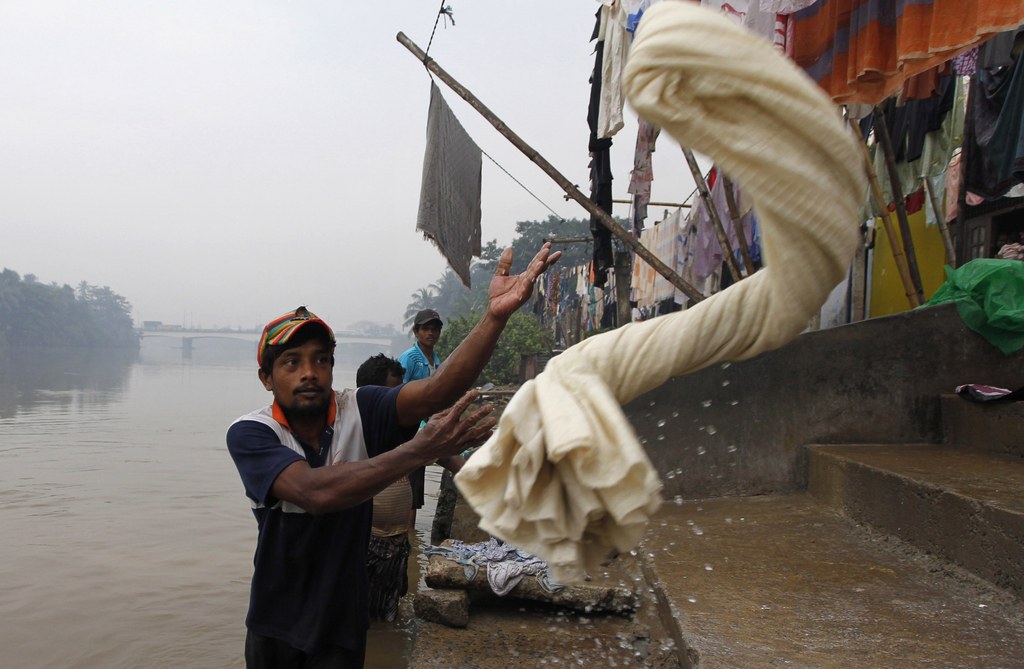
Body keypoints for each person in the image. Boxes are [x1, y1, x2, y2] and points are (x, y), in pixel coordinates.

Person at [225, 244, 560, 669]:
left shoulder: (359, 408)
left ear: (332, 367)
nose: (308, 372)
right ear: (266, 378)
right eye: (291, 362)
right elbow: (312, 493)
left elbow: (437, 392)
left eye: (320, 360)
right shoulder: (253, 432)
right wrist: (419, 449)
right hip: (276, 626)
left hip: (342, 624)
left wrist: (495, 317)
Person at [354, 354, 463, 622]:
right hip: (366, 548)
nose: (400, 405)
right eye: (393, 397)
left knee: (390, 616)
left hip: (398, 547)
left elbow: (447, 457)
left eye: (401, 395)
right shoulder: (354, 435)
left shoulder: (408, 437)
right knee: (361, 622)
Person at [397, 310, 445, 530]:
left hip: (426, 428)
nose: (430, 333)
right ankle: (407, 538)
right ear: (416, 332)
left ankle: (410, 535)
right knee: (411, 483)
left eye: (434, 329)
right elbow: (397, 392)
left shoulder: (435, 360)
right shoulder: (410, 358)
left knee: (416, 485)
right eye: (425, 329)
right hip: (410, 428)